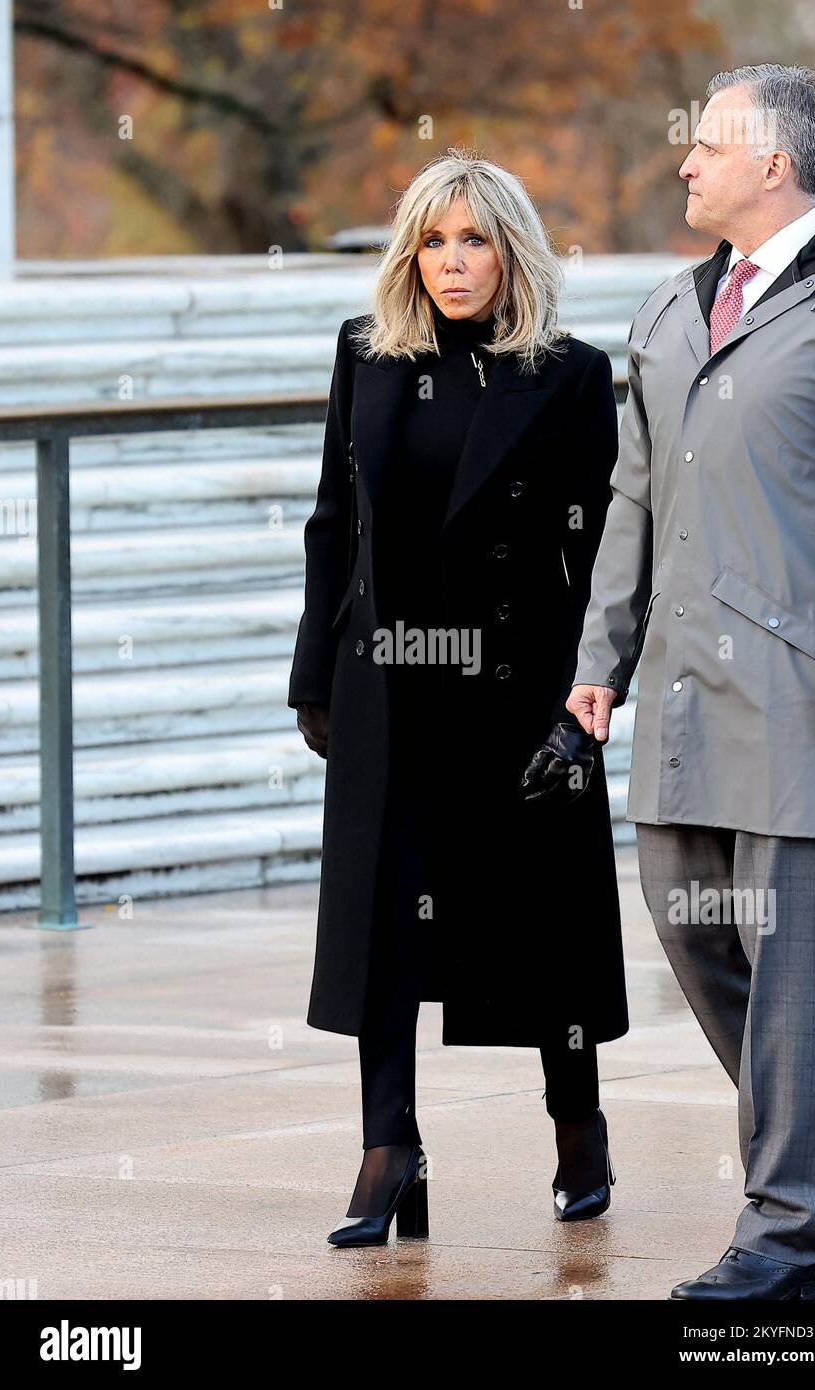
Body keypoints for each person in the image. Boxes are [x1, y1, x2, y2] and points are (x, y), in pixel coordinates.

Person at [289, 148, 628, 1247]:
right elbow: (333, 527)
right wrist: (312, 672)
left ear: (510, 248)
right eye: (432, 239)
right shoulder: (369, 356)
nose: (450, 261)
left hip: (518, 688)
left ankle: (576, 1122)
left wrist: (584, 701)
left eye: (473, 237)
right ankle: (389, 1147)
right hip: (387, 680)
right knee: (382, 920)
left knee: (545, 924)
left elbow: (602, 552)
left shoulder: (568, 374)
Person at [568, 64, 815, 1301]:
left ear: (776, 167)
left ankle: (786, 1231)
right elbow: (633, 497)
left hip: (811, 699)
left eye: (708, 148)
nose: (685, 164)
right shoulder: (669, 310)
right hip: (682, 697)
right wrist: (599, 661)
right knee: (694, 936)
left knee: (791, 965)